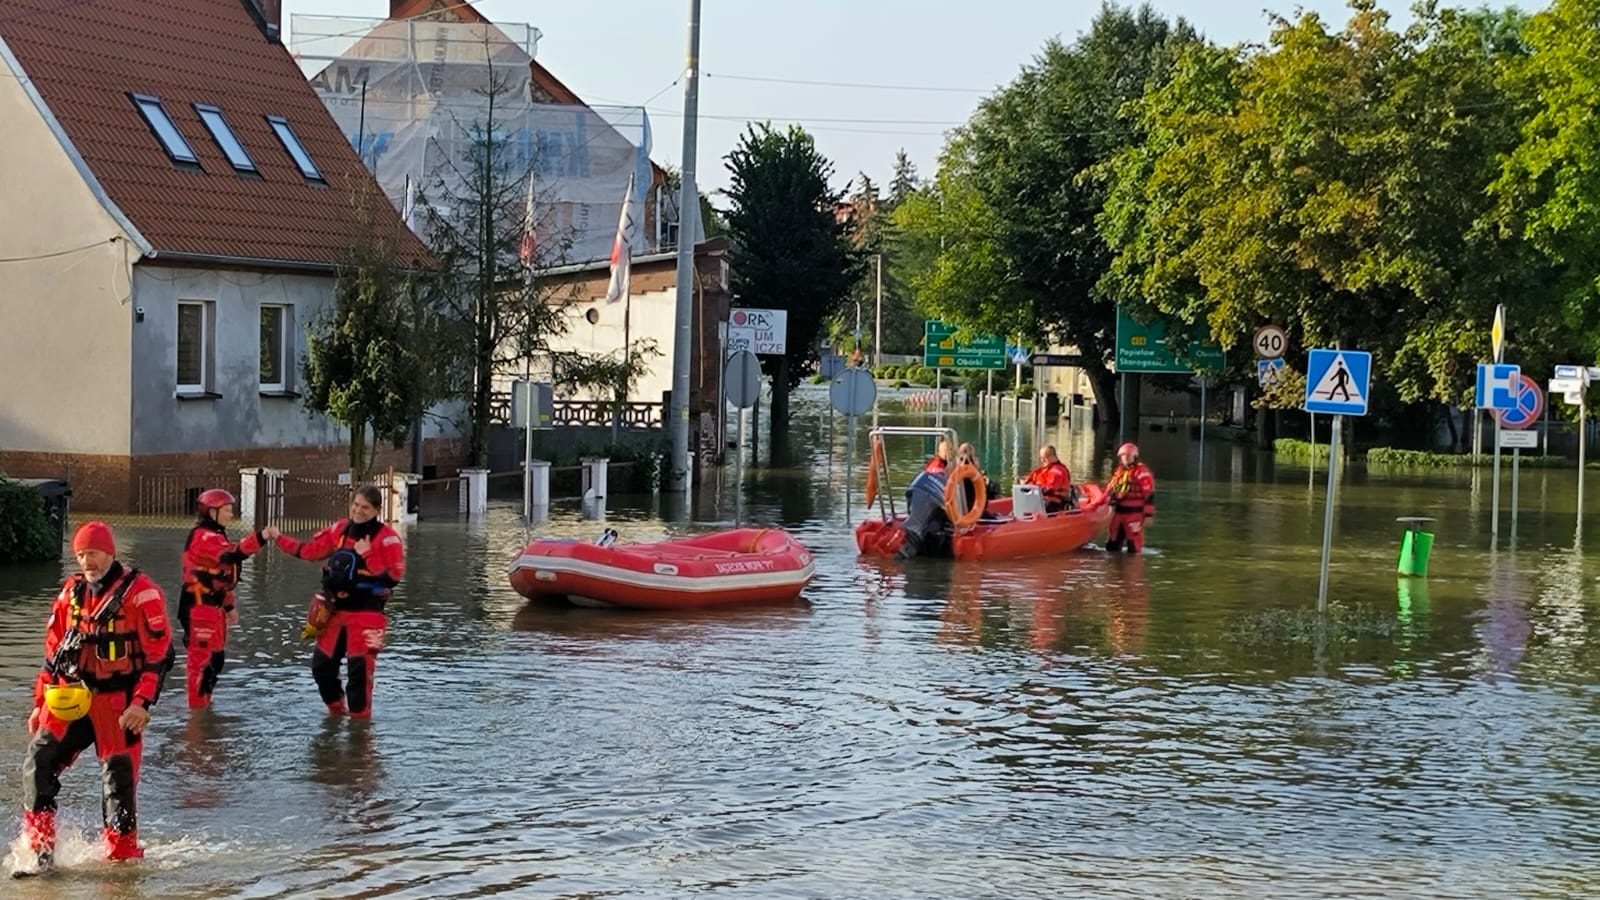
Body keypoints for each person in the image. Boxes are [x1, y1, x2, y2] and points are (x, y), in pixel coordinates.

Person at [17, 522, 172, 874]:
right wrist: (40, 703)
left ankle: (122, 865)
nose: (88, 561)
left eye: (94, 553)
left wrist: (141, 703)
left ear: (111, 552)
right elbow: (52, 652)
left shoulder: (142, 593)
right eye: (82, 555)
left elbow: (159, 653)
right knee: (38, 761)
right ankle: (40, 853)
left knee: (118, 780)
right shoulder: (70, 593)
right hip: (72, 697)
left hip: (119, 704)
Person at [271, 485, 405, 719]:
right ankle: (336, 713)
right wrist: (278, 537)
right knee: (322, 668)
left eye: (365, 507)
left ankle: (360, 735)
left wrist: (367, 554)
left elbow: (392, 578)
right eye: (355, 505)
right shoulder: (340, 530)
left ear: (377, 510)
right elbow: (310, 551)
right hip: (334, 612)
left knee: (359, 675)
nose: (358, 510)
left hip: (367, 614)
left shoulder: (388, 539)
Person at [178, 488, 266, 709]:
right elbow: (232, 553)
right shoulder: (203, 537)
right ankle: (197, 718)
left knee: (215, 661)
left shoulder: (215, 534)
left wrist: (228, 606)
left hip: (212, 607)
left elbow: (218, 578)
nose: (230, 515)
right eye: (226, 510)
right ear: (212, 512)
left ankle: (204, 709)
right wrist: (262, 537)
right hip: (198, 607)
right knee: (203, 664)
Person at [1105, 442, 1156, 553]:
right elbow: (1110, 490)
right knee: (1112, 545)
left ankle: (1132, 568)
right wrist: (1104, 503)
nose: (1125, 459)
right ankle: (1114, 568)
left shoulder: (1142, 473)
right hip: (1119, 513)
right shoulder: (1119, 473)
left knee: (1133, 546)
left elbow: (1149, 494)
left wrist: (1148, 515)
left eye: (1128, 456)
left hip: (1134, 514)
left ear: (1134, 457)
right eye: (1123, 456)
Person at [1021, 444, 1074, 512]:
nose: (1042, 461)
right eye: (1041, 458)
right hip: (1039, 498)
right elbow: (1030, 480)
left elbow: (1050, 488)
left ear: (1053, 456)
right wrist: (1026, 484)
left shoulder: (1058, 471)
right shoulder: (1041, 470)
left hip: (1054, 501)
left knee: (1040, 506)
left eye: (1045, 458)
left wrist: (1034, 488)